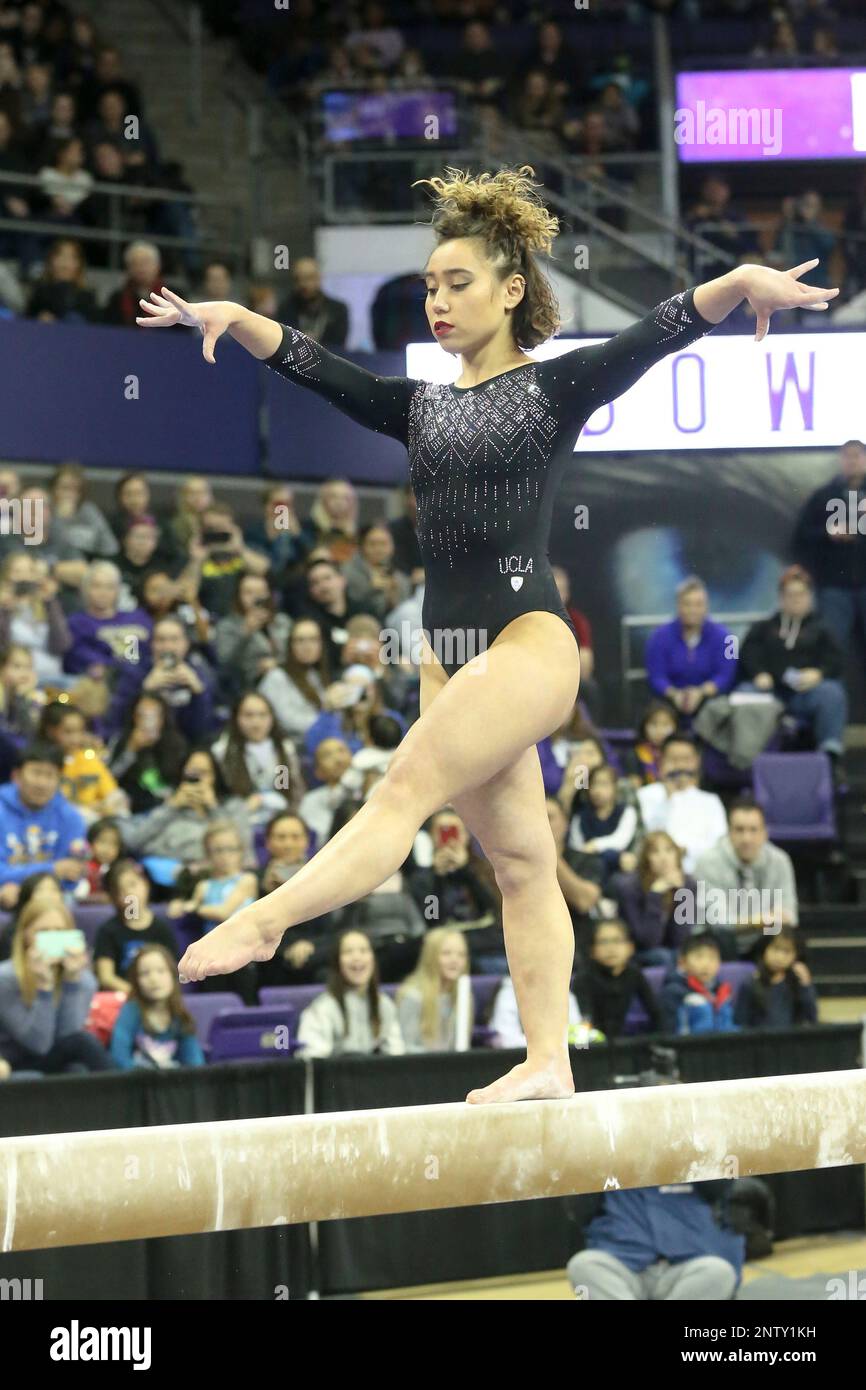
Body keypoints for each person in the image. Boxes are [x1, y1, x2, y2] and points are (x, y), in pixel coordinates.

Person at [138, 163, 837, 1104]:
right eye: (428, 284)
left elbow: (655, 333)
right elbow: (317, 365)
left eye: (456, 282)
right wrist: (237, 318)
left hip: (527, 645)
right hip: (446, 660)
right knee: (518, 865)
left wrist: (737, 285)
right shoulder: (421, 408)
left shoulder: (554, 392)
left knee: (402, 787)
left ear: (511, 290)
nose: (437, 300)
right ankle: (549, 1060)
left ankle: (269, 918)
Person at [567, 1178, 744, 1301]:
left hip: (684, 1266)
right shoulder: (607, 1146)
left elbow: (721, 1189)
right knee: (583, 1265)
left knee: (719, 1272)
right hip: (625, 1266)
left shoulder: (690, 1141)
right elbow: (579, 1210)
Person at [737, 565, 847, 763]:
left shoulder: (822, 629)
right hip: (769, 694)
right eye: (790, 594)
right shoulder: (764, 627)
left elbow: (836, 659)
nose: (796, 599)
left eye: (801, 594)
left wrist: (819, 673)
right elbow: (748, 653)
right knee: (745, 691)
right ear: (781, 597)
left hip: (805, 694)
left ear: (810, 596)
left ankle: (829, 756)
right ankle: (746, 758)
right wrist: (758, 673)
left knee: (832, 693)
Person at [0, 895, 113, 1077]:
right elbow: (39, 1045)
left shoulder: (84, 980)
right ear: (25, 936)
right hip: (13, 1063)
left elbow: (69, 1038)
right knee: (83, 1045)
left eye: (59, 931)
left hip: (57, 1056)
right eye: (43, 932)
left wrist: (72, 983)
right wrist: (44, 987)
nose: (52, 938)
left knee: (78, 1068)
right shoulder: (5, 979)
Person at [692, 797, 798, 960]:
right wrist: (760, 920)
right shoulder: (708, 862)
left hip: (762, 941)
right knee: (722, 934)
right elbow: (719, 922)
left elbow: (789, 915)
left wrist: (772, 919)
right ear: (728, 832)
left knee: (787, 940)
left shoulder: (779, 860)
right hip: (717, 943)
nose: (747, 838)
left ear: (765, 833)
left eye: (753, 830)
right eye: (739, 830)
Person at [792, 439, 866, 655]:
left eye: (857, 456)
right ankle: (829, 688)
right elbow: (801, 535)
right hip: (834, 586)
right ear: (840, 460)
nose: (852, 462)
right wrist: (828, 533)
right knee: (831, 647)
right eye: (847, 456)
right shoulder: (823, 496)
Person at [295, 929, 404, 1058]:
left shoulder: (384, 1005)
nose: (357, 957)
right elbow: (311, 1059)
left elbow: (396, 1056)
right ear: (337, 963)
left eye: (363, 951)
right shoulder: (322, 1008)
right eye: (348, 952)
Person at [0, 740, 88, 889]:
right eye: (36, 773)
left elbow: (71, 875)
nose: (42, 783)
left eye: (50, 775)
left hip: (52, 897)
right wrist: (52, 869)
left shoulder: (70, 817)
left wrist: (21, 886)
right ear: (17, 776)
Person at [645, 577, 736, 718]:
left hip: (711, 703)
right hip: (670, 702)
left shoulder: (729, 638)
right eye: (687, 604)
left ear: (706, 606)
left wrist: (701, 693)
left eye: (698, 604)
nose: (693, 610)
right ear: (678, 605)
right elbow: (656, 676)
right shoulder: (657, 637)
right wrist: (676, 695)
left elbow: (727, 674)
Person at [637, 735, 727, 873]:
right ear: (661, 762)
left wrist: (687, 850)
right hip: (652, 872)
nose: (680, 766)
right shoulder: (644, 795)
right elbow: (643, 837)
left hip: (698, 872)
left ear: (697, 762)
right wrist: (667, 799)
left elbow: (719, 844)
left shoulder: (710, 801)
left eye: (686, 760)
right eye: (673, 760)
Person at [210, 692, 304, 824]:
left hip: (279, 816)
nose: (256, 722)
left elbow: (288, 789)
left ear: (272, 718)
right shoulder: (222, 751)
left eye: (262, 715)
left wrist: (265, 800)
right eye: (248, 715)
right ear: (236, 718)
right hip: (239, 819)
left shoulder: (284, 749)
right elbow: (222, 795)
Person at [109, 944, 205, 1069]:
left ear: (173, 975)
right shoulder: (130, 1011)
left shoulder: (180, 1015)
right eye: (144, 973)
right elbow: (119, 1059)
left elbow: (195, 1064)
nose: (154, 979)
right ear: (136, 981)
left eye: (161, 971)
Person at [609, 831, 695, 968]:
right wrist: (655, 895)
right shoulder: (629, 887)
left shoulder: (687, 884)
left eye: (669, 850)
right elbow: (647, 942)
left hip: (670, 951)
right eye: (655, 852)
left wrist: (680, 893)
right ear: (645, 859)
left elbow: (681, 940)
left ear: (677, 855)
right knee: (661, 956)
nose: (664, 858)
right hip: (636, 953)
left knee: (683, 956)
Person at [94, 858, 178, 991]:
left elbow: (172, 971)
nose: (129, 894)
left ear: (146, 885)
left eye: (132, 885)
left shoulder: (162, 929)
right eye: (121, 891)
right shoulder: (108, 931)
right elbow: (106, 977)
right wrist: (137, 994)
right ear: (114, 898)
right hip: (124, 998)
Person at [573, 919, 661, 1040]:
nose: (611, 948)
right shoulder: (583, 979)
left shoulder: (634, 974)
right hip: (592, 1046)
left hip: (620, 1044)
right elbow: (584, 1021)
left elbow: (656, 1013)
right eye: (603, 942)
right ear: (592, 950)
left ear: (630, 947)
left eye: (617, 940)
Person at [396, 926, 471, 1052]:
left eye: (461, 955)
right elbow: (406, 1047)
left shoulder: (463, 996)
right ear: (431, 957)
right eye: (446, 953)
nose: (455, 960)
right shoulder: (413, 996)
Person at [258, 617, 330, 741]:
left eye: (313, 640)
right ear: (290, 646)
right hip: (292, 745)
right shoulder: (276, 677)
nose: (307, 646)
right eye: (300, 640)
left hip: (320, 740)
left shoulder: (316, 675)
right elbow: (288, 722)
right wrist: (327, 722)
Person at [566, 763, 639, 882]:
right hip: (587, 869)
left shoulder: (627, 812)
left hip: (617, 869)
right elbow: (578, 850)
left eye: (604, 784)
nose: (598, 790)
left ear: (615, 787)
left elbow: (620, 841)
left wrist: (595, 845)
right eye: (594, 784)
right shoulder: (580, 816)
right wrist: (611, 855)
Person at [733, 928, 817, 1029]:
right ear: (764, 949)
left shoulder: (797, 983)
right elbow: (740, 1022)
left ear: (795, 956)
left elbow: (811, 1018)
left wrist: (806, 985)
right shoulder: (750, 983)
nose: (779, 957)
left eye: (787, 952)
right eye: (775, 949)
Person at [659, 933, 738, 1035]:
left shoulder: (722, 991)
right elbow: (669, 1034)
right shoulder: (672, 992)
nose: (706, 964)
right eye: (699, 957)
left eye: (712, 958)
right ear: (682, 962)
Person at [297, 736, 353, 846]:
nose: (338, 759)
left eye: (341, 751)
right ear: (318, 772)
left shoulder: (368, 790)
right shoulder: (310, 801)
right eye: (327, 755)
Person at [623, 701, 678, 785]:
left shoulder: (679, 754)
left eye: (666, 724)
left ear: (675, 727)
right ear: (644, 726)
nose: (659, 730)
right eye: (653, 724)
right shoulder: (634, 755)